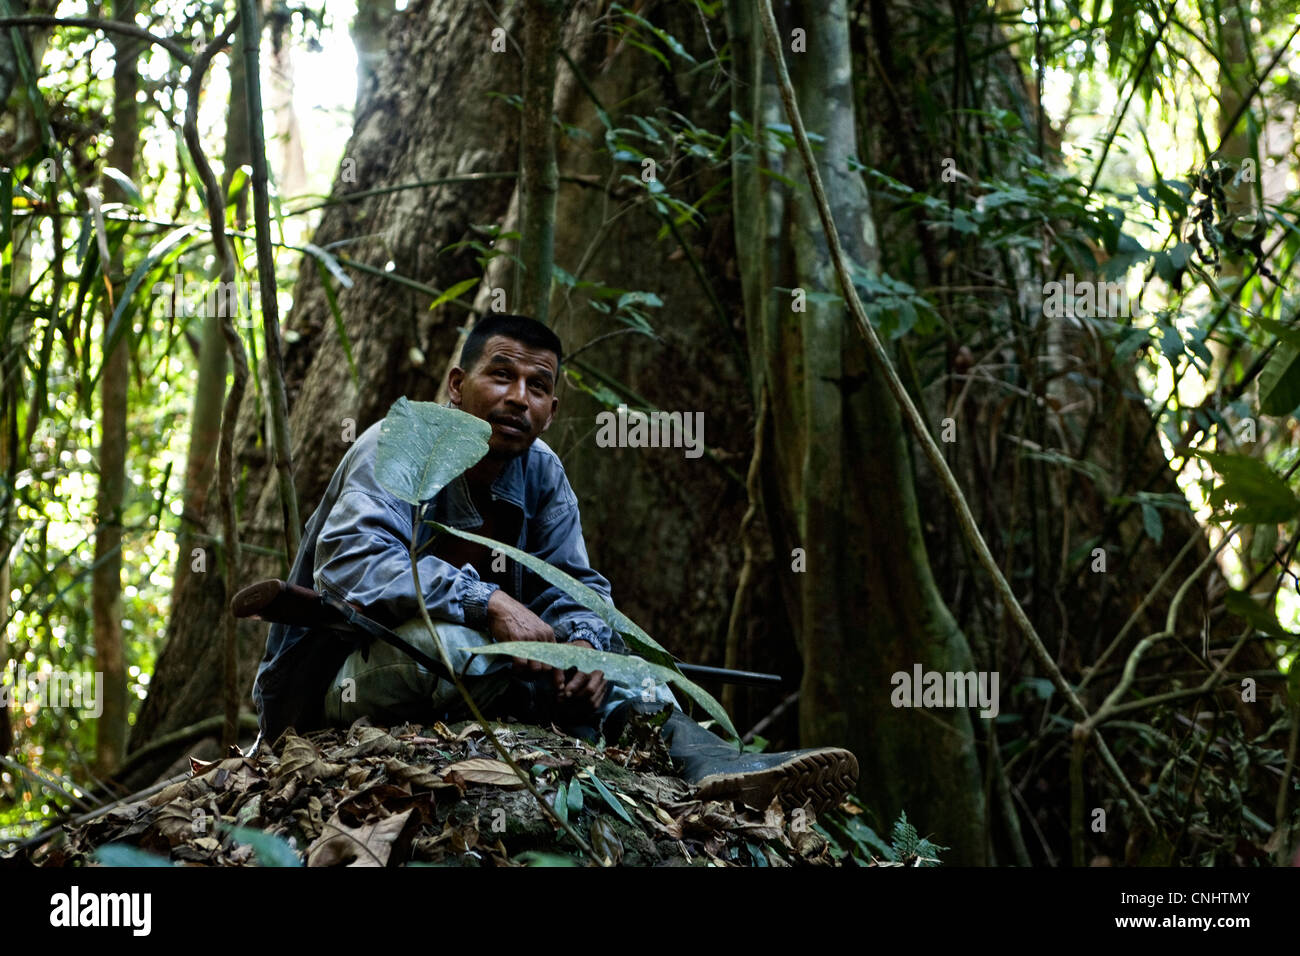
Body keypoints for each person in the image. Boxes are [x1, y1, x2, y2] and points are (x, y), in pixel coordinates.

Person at [251, 314, 858, 813]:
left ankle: (715, 765)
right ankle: (554, 707)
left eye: (536, 386)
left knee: (627, 663)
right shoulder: (405, 442)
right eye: (501, 375)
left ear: (552, 409)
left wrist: (585, 650)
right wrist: (489, 602)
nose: (518, 397)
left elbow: (577, 587)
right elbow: (352, 562)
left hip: (488, 670)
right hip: (340, 679)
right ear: (457, 386)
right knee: (456, 645)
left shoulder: (541, 472)